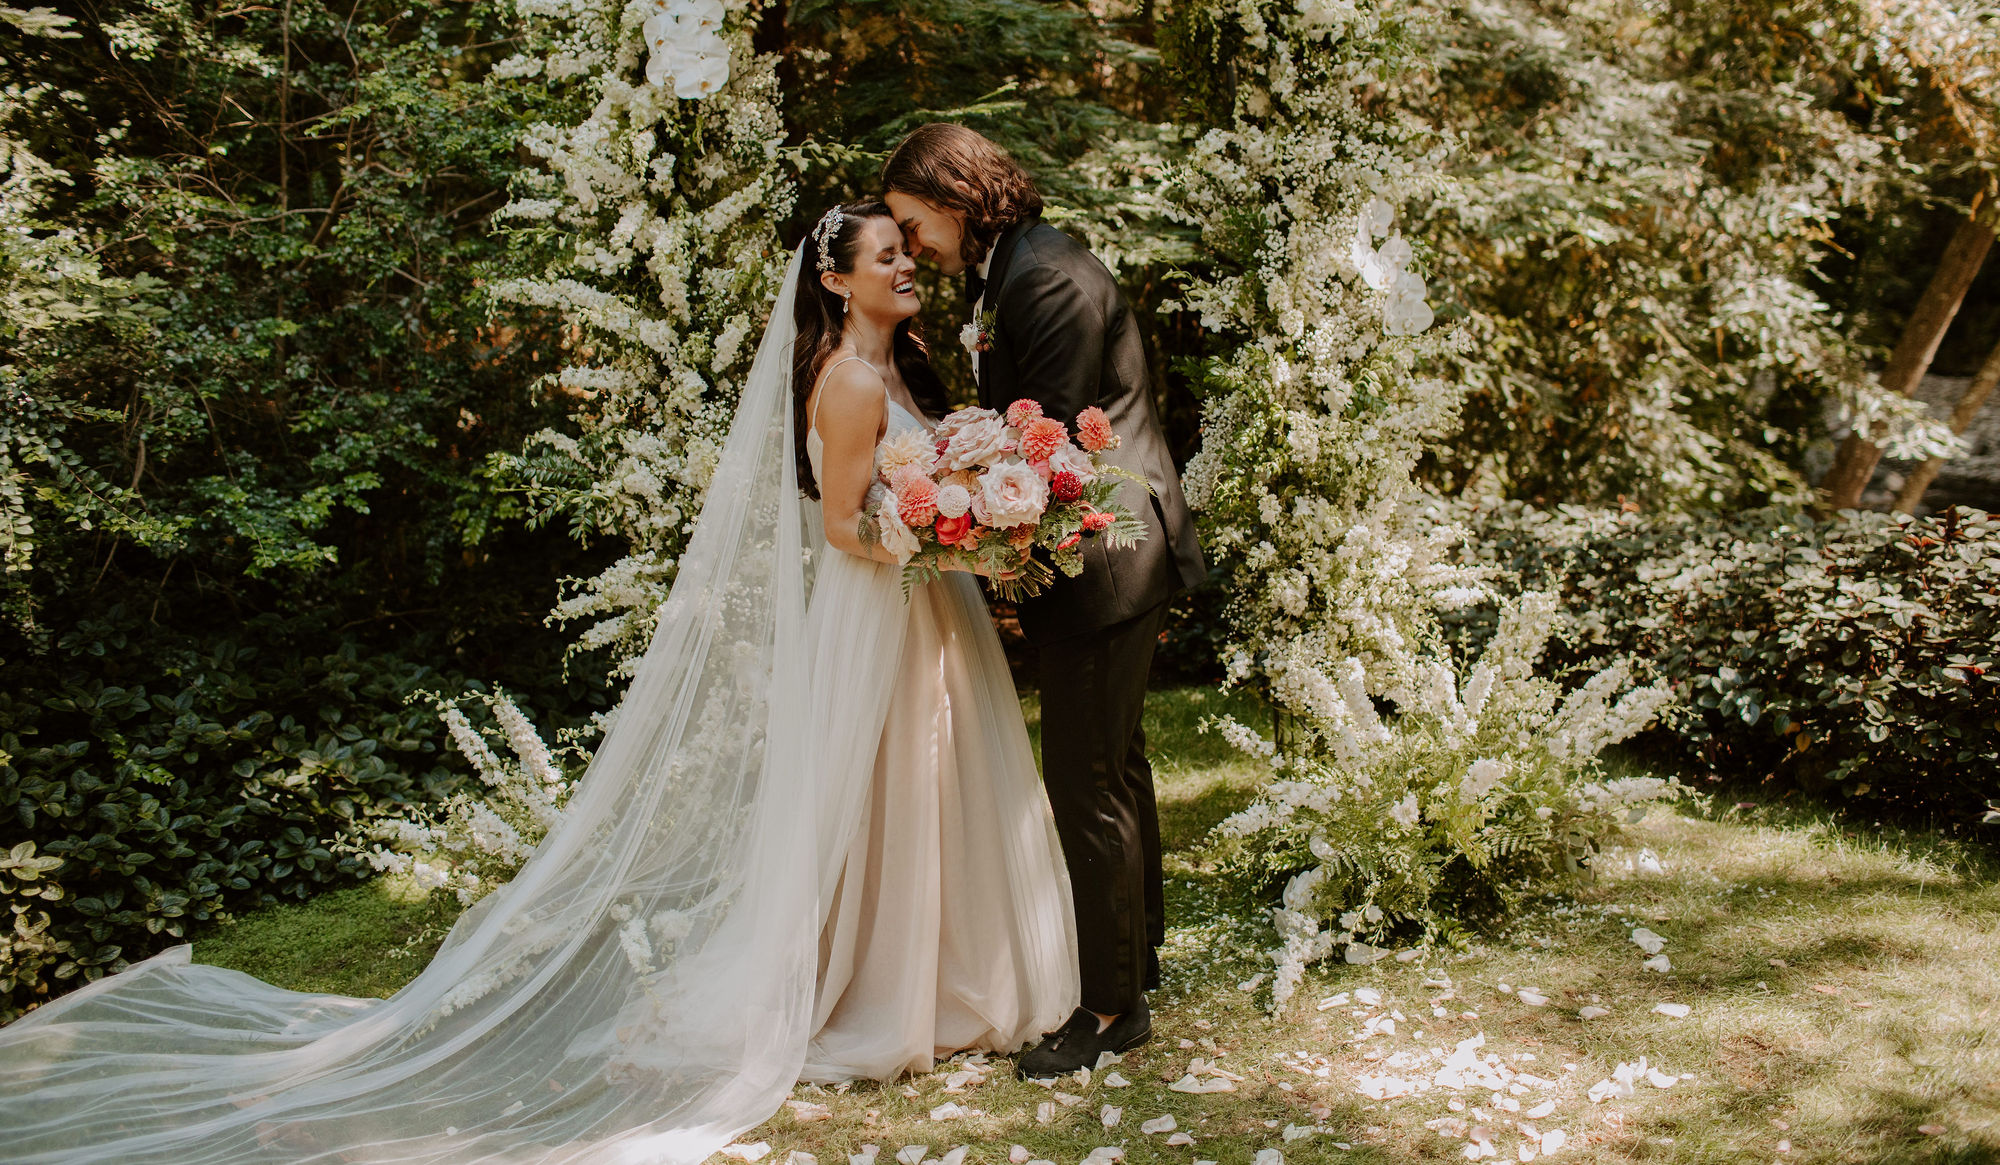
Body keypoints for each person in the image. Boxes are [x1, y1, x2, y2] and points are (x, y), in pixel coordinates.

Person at [0, 201, 1078, 1163]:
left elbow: (911, 491)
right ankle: (877, 990)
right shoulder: (844, 381)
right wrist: (950, 547)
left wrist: (975, 518)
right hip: (876, 609)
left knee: (935, 786)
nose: (905, 267)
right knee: (877, 793)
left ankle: (943, 978)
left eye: (905, 253)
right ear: (835, 280)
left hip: (924, 606)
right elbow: (844, 529)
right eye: (886, 256)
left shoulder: (907, 369)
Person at [881, 124, 1207, 1077]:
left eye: (912, 221)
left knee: (1085, 778)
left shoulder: (1044, 274)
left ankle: (1109, 1008)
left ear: (952, 195)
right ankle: (1134, 954)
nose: (912, 246)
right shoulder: (1013, 267)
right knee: (1117, 762)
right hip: (1106, 555)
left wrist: (984, 528)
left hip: (1107, 557)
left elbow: (1051, 445)